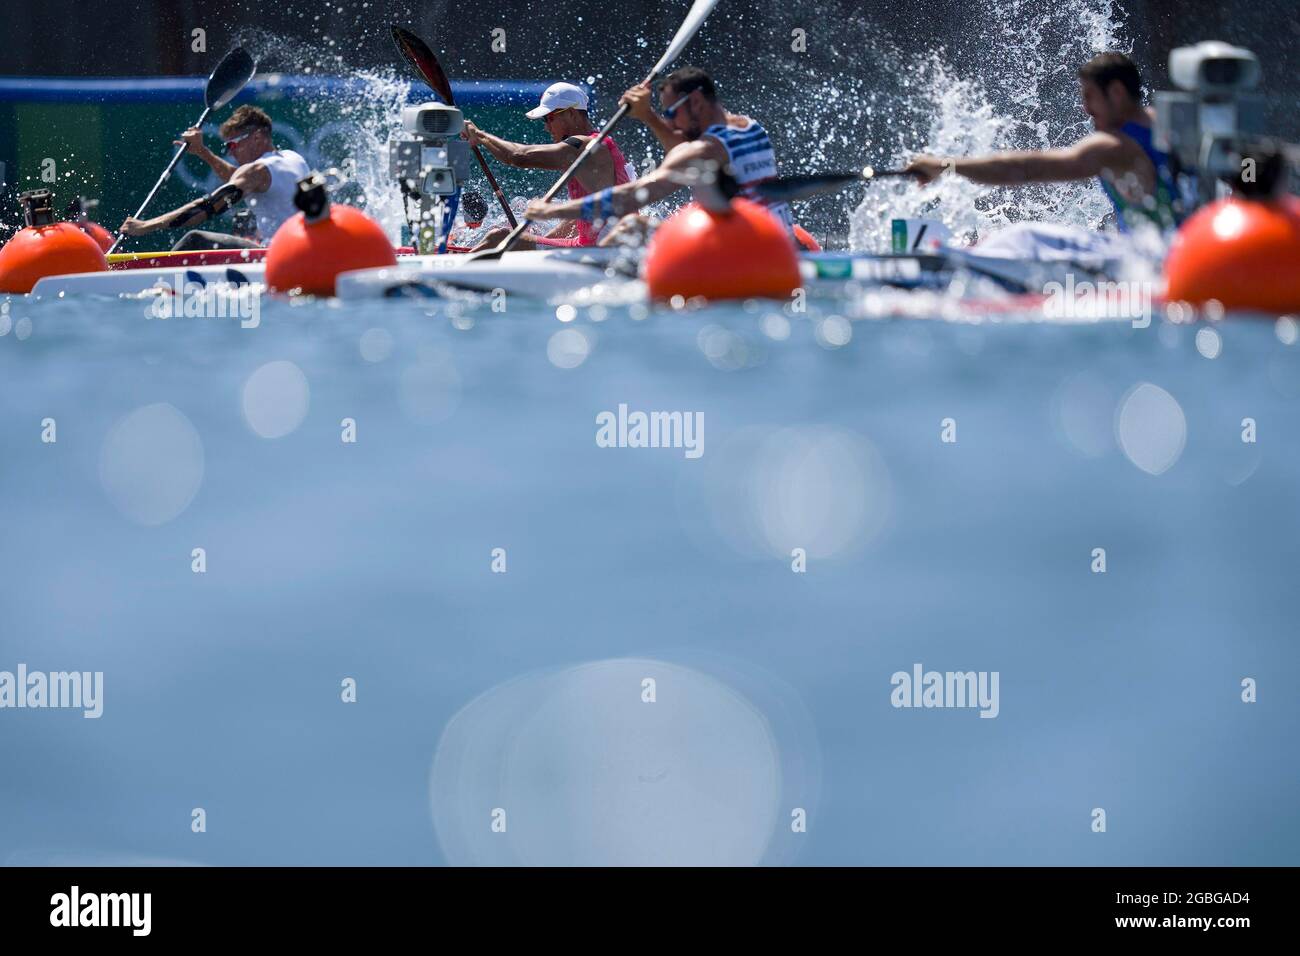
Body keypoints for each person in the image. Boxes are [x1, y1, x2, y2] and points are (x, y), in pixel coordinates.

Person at [903, 52, 1183, 236]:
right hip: (1185, 251)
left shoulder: (1113, 147)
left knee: (1022, 237)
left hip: (1151, 270)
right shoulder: (1174, 124)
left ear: (1117, 93)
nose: (1086, 108)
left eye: (1090, 97)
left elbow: (1027, 169)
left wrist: (945, 166)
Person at [523, 67, 802, 246]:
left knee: (631, 227)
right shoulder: (749, 127)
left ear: (695, 102)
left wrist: (554, 210)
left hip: (747, 254)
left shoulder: (704, 150)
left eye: (671, 113)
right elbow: (685, 143)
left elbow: (630, 196)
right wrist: (648, 116)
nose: (671, 123)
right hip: (779, 240)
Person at [462, 82, 637, 250]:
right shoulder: (596, 145)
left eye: (549, 118)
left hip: (605, 249)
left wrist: (480, 135)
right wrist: (539, 241)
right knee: (520, 235)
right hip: (594, 244)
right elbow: (580, 218)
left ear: (571, 114)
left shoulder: (586, 146)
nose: (546, 127)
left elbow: (518, 157)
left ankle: (453, 273)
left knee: (498, 237)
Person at [118, 105, 309, 250]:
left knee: (195, 239)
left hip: (274, 254)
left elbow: (208, 207)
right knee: (243, 224)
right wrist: (203, 152)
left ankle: (159, 290)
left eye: (233, 145)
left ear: (257, 138)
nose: (231, 153)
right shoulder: (292, 158)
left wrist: (146, 225)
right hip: (300, 249)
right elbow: (237, 179)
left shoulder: (257, 170)